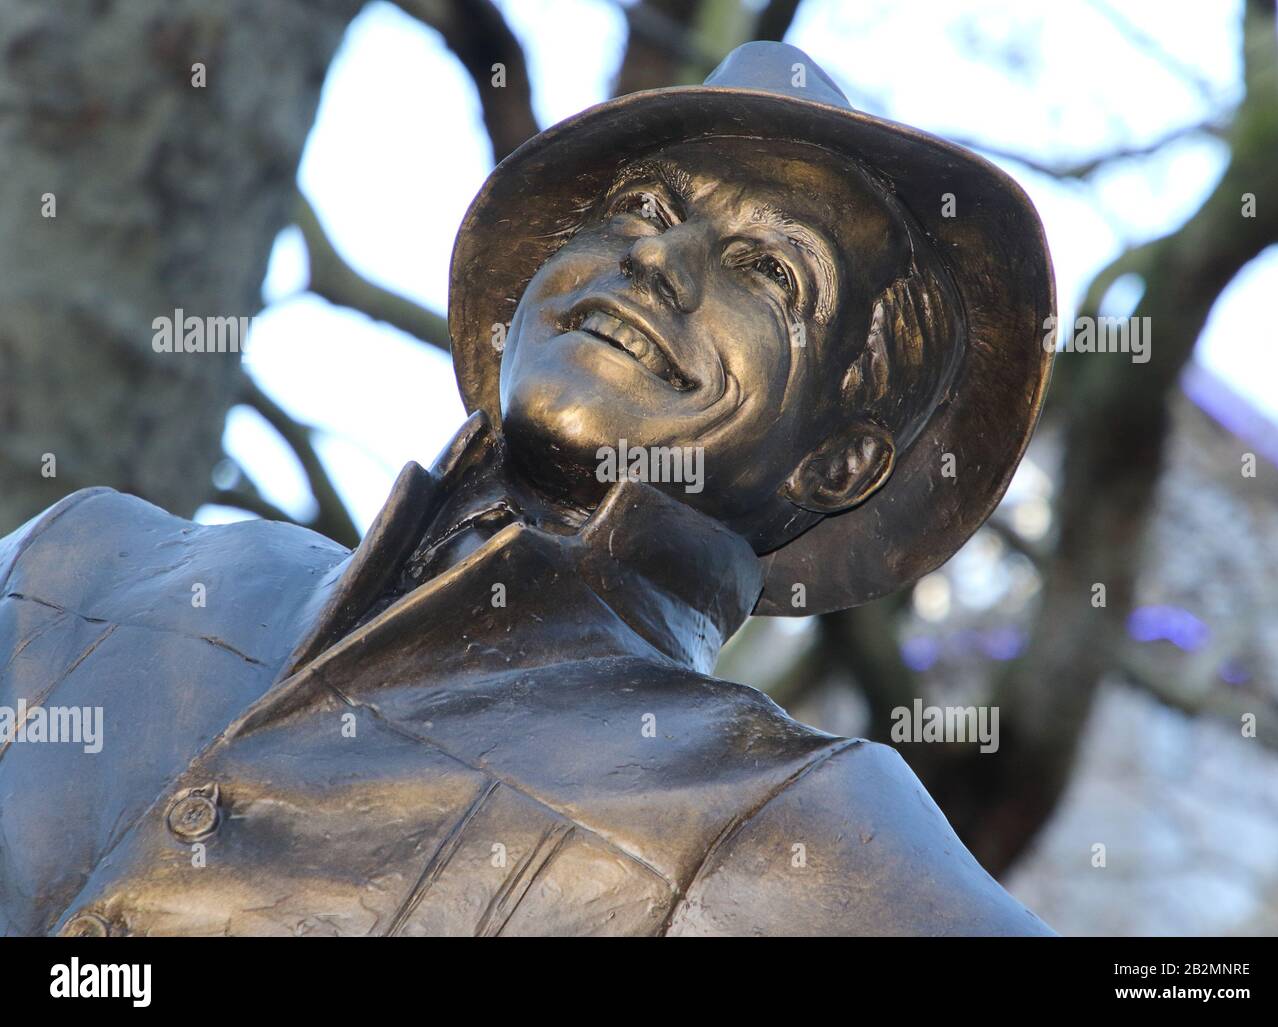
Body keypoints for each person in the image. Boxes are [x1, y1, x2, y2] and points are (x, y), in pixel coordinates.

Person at [0, 42, 1054, 936]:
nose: (657, 257)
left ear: (840, 464)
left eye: (768, 272)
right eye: (640, 208)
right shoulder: (91, 561)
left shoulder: (797, 826)